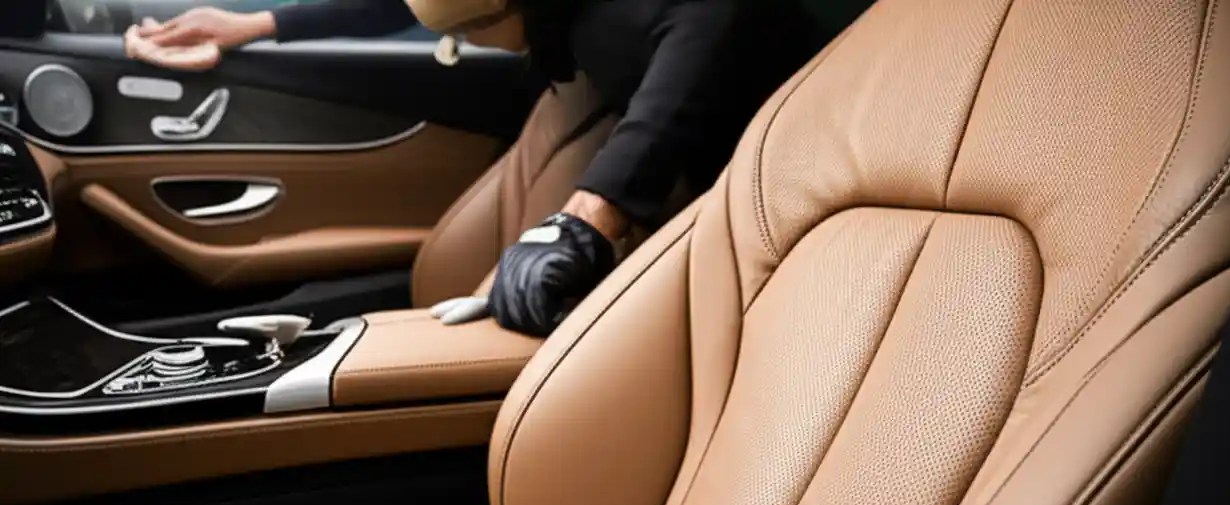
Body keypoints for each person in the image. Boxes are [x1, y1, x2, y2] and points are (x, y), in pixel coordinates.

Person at [126, 0, 819, 336]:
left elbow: (714, 17)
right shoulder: (563, 22)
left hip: (783, 197)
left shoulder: (631, 18)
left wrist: (587, 218)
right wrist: (256, 25)